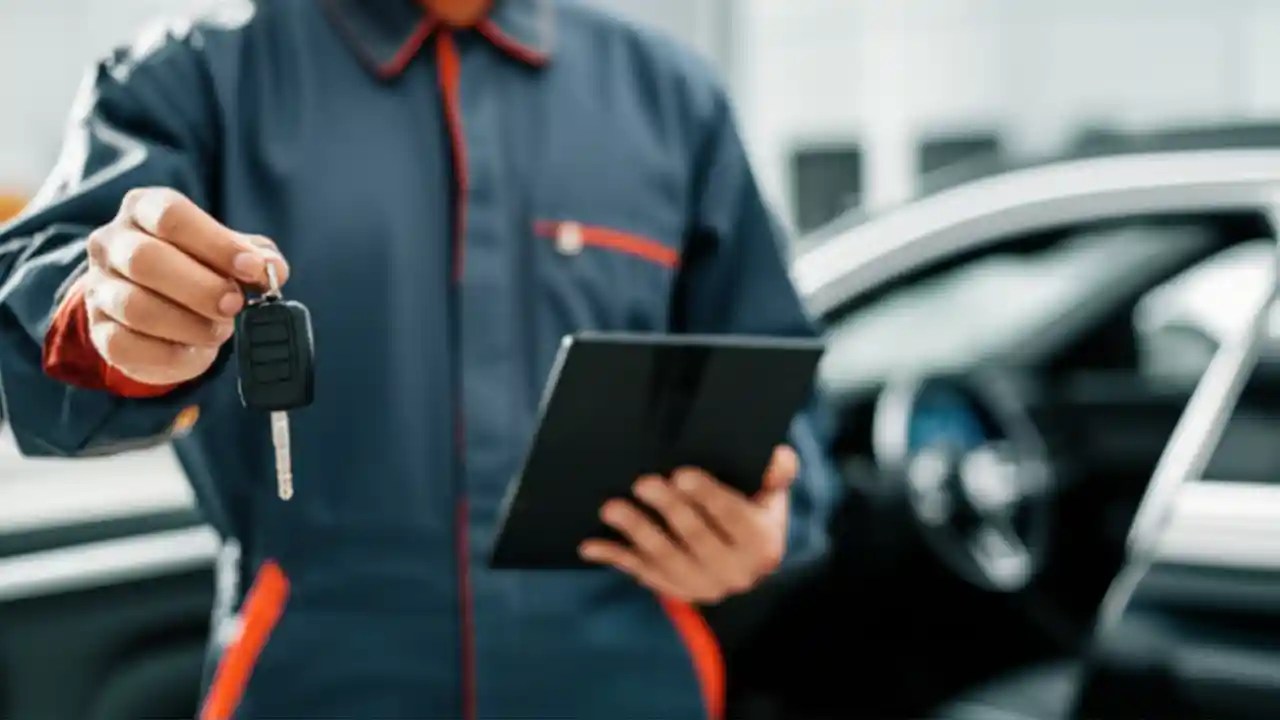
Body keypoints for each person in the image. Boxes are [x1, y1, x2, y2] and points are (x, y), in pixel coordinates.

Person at [0, 1, 837, 718]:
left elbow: (787, 398)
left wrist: (770, 524)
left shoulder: (672, 97)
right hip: (311, 687)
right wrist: (107, 312)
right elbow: (37, 308)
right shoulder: (195, 74)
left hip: (627, 683)